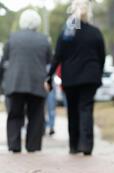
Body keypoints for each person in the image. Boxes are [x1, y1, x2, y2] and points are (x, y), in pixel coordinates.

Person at [47, 0, 106, 156]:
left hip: (70, 79)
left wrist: (49, 76)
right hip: (90, 78)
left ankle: (73, 145)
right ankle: (86, 145)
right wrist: (98, 74)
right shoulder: (95, 32)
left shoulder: (66, 34)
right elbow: (102, 56)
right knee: (86, 109)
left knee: (72, 111)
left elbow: (57, 56)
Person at [0, 9, 52, 153]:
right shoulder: (44, 40)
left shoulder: (12, 38)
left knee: (14, 115)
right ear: (37, 23)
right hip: (37, 83)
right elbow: (49, 62)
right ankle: (33, 146)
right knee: (36, 116)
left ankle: (14, 145)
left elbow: (4, 61)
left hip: (15, 82)